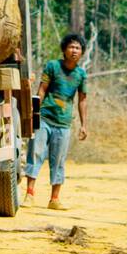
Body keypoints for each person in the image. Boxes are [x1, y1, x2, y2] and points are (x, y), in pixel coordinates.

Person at [24, 32, 88, 209]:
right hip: (44, 117)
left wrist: (83, 125)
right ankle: (29, 194)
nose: (74, 50)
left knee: (58, 160)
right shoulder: (52, 66)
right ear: (64, 49)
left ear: (82, 52)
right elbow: (42, 89)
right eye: (71, 47)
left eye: (78, 48)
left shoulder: (81, 75)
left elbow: (82, 99)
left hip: (64, 123)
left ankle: (54, 199)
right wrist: (34, 112)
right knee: (35, 153)